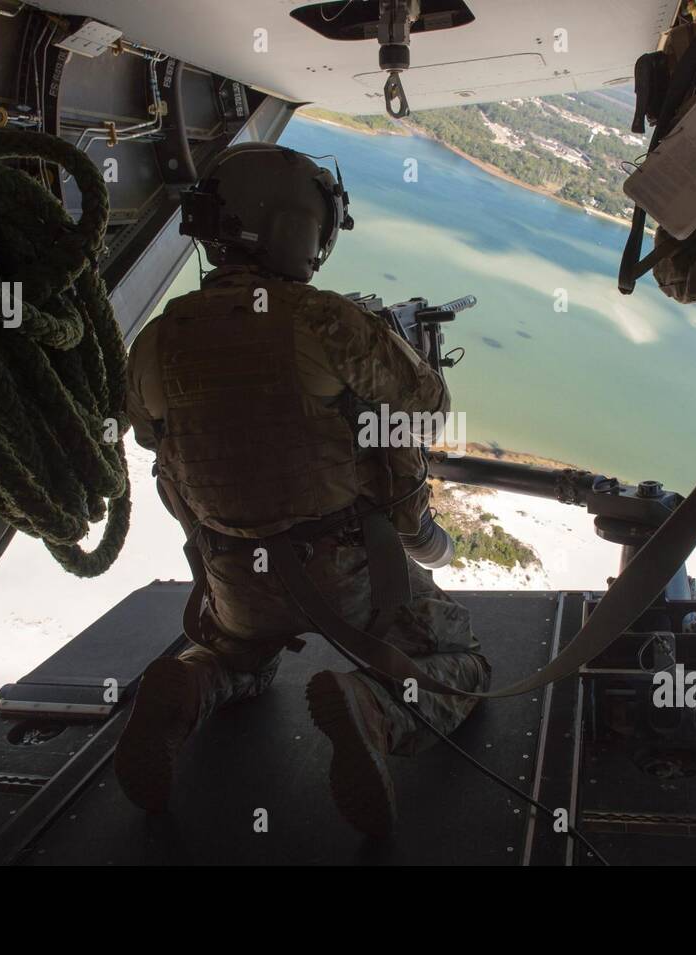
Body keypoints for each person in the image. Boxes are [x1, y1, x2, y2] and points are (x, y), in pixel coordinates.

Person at [116, 143, 491, 836]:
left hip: (235, 583)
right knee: (464, 658)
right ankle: (371, 707)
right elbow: (428, 406)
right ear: (294, 229)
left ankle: (191, 684)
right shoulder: (322, 319)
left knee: (242, 662)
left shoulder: (156, 342)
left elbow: (157, 440)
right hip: (349, 581)